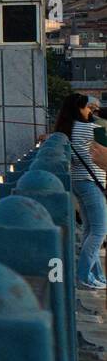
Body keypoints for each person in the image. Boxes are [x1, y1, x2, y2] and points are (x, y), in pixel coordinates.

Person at [54, 93, 107, 289]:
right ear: (79, 108)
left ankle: (96, 275)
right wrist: (96, 117)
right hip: (90, 182)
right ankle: (84, 275)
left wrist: (93, 113)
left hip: (80, 182)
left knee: (89, 229)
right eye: (87, 108)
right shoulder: (87, 128)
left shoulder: (69, 129)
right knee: (100, 230)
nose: (90, 112)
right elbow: (104, 138)